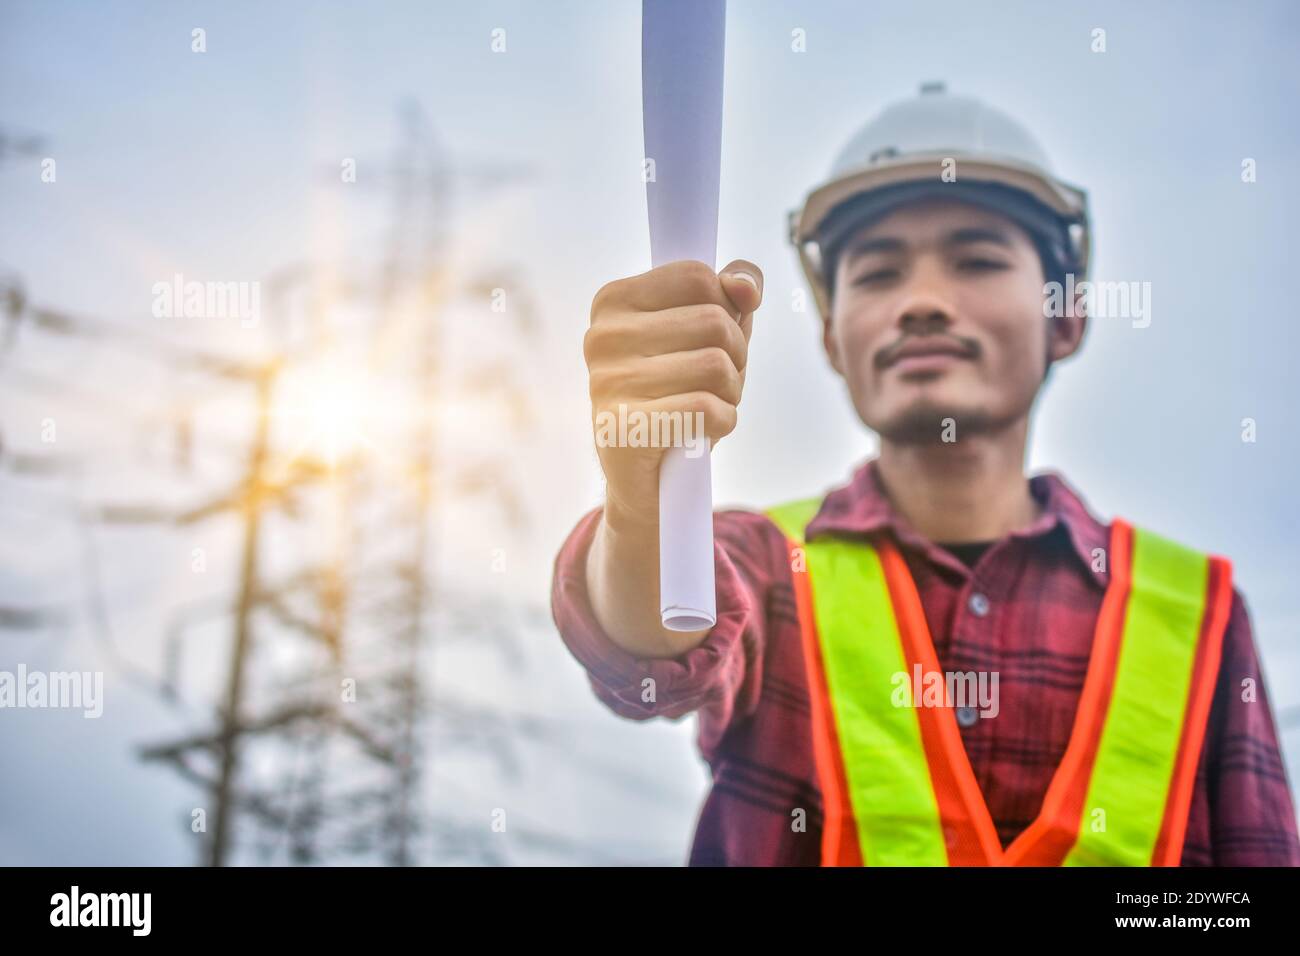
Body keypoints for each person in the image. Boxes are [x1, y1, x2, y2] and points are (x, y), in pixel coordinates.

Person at [551, 83, 1300, 865]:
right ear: (834, 339)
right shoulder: (768, 562)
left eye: (977, 260)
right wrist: (641, 500)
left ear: (1066, 315)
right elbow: (647, 650)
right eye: (878, 273)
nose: (923, 302)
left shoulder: (1199, 613)